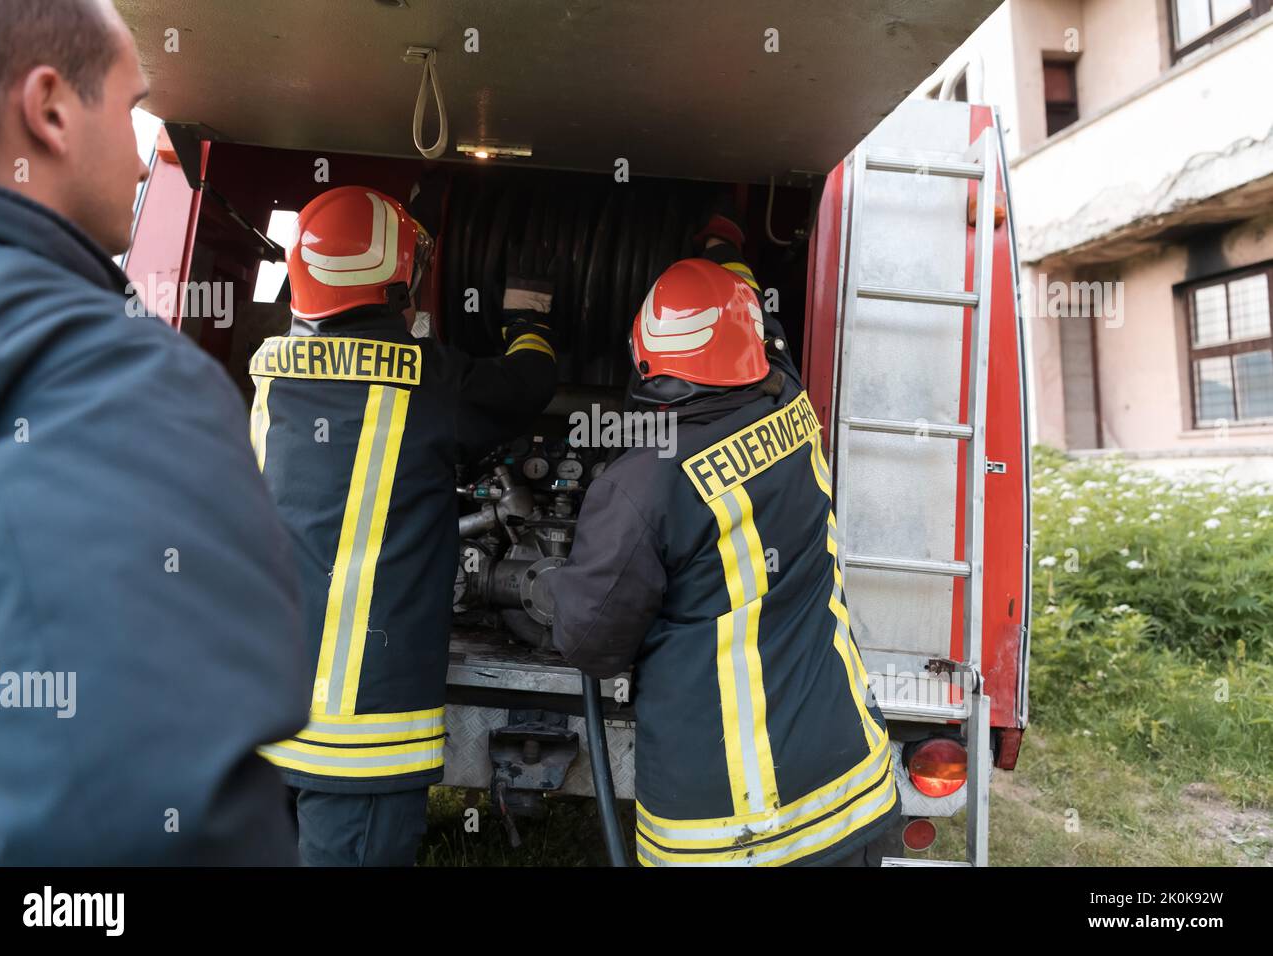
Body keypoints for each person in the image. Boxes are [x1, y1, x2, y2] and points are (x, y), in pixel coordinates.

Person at [0, 0, 310, 864]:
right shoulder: (118, 384)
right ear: (49, 110)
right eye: (130, 112)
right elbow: (142, 810)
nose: (139, 160)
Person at [550, 208, 904, 866]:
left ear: (643, 357)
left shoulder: (640, 488)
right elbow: (763, 336)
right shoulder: (793, 405)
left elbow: (590, 643)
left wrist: (559, 582)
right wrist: (726, 250)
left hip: (726, 829)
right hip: (848, 788)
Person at [249, 184, 558, 866]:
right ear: (393, 289)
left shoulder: (271, 376)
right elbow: (525, 387)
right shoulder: (429, 380)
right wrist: (529, 319)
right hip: (361, 737)